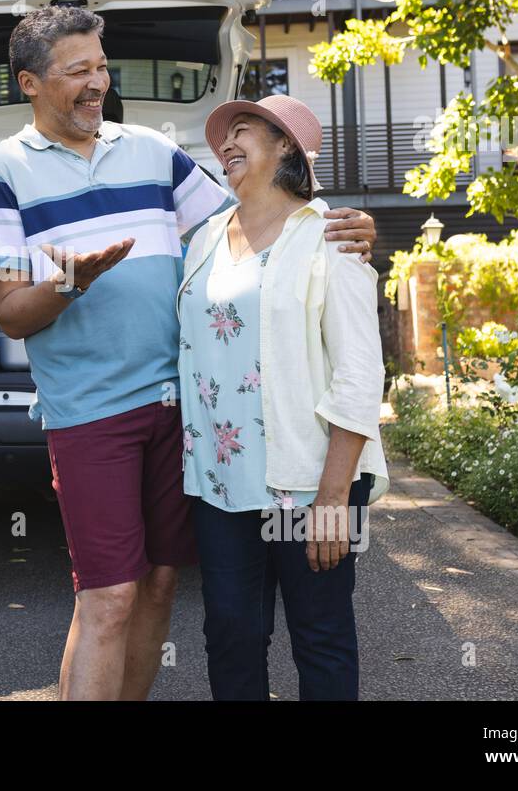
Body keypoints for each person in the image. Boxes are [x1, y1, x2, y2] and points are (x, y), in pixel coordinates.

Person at [0, 5, 378, 701]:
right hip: (89, 411)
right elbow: (9, 314)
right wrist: (72, 281)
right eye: (78, 72)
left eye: (101, 66)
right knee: (109, 596)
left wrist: (338, 220)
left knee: (160, 581)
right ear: (30, 83)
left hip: (180, 415)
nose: (98, 82)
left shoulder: (155, 154)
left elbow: (250, 216)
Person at [177, 94, 390, 701]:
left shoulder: (331, 237)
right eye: (224, 136)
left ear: (286, 149)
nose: (226, 143)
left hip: (308, 481)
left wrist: (331, 501)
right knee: (231, 638)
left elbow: (358, 376)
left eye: (243, 130)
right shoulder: (206, 239)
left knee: (320, 638)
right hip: (220, 482)